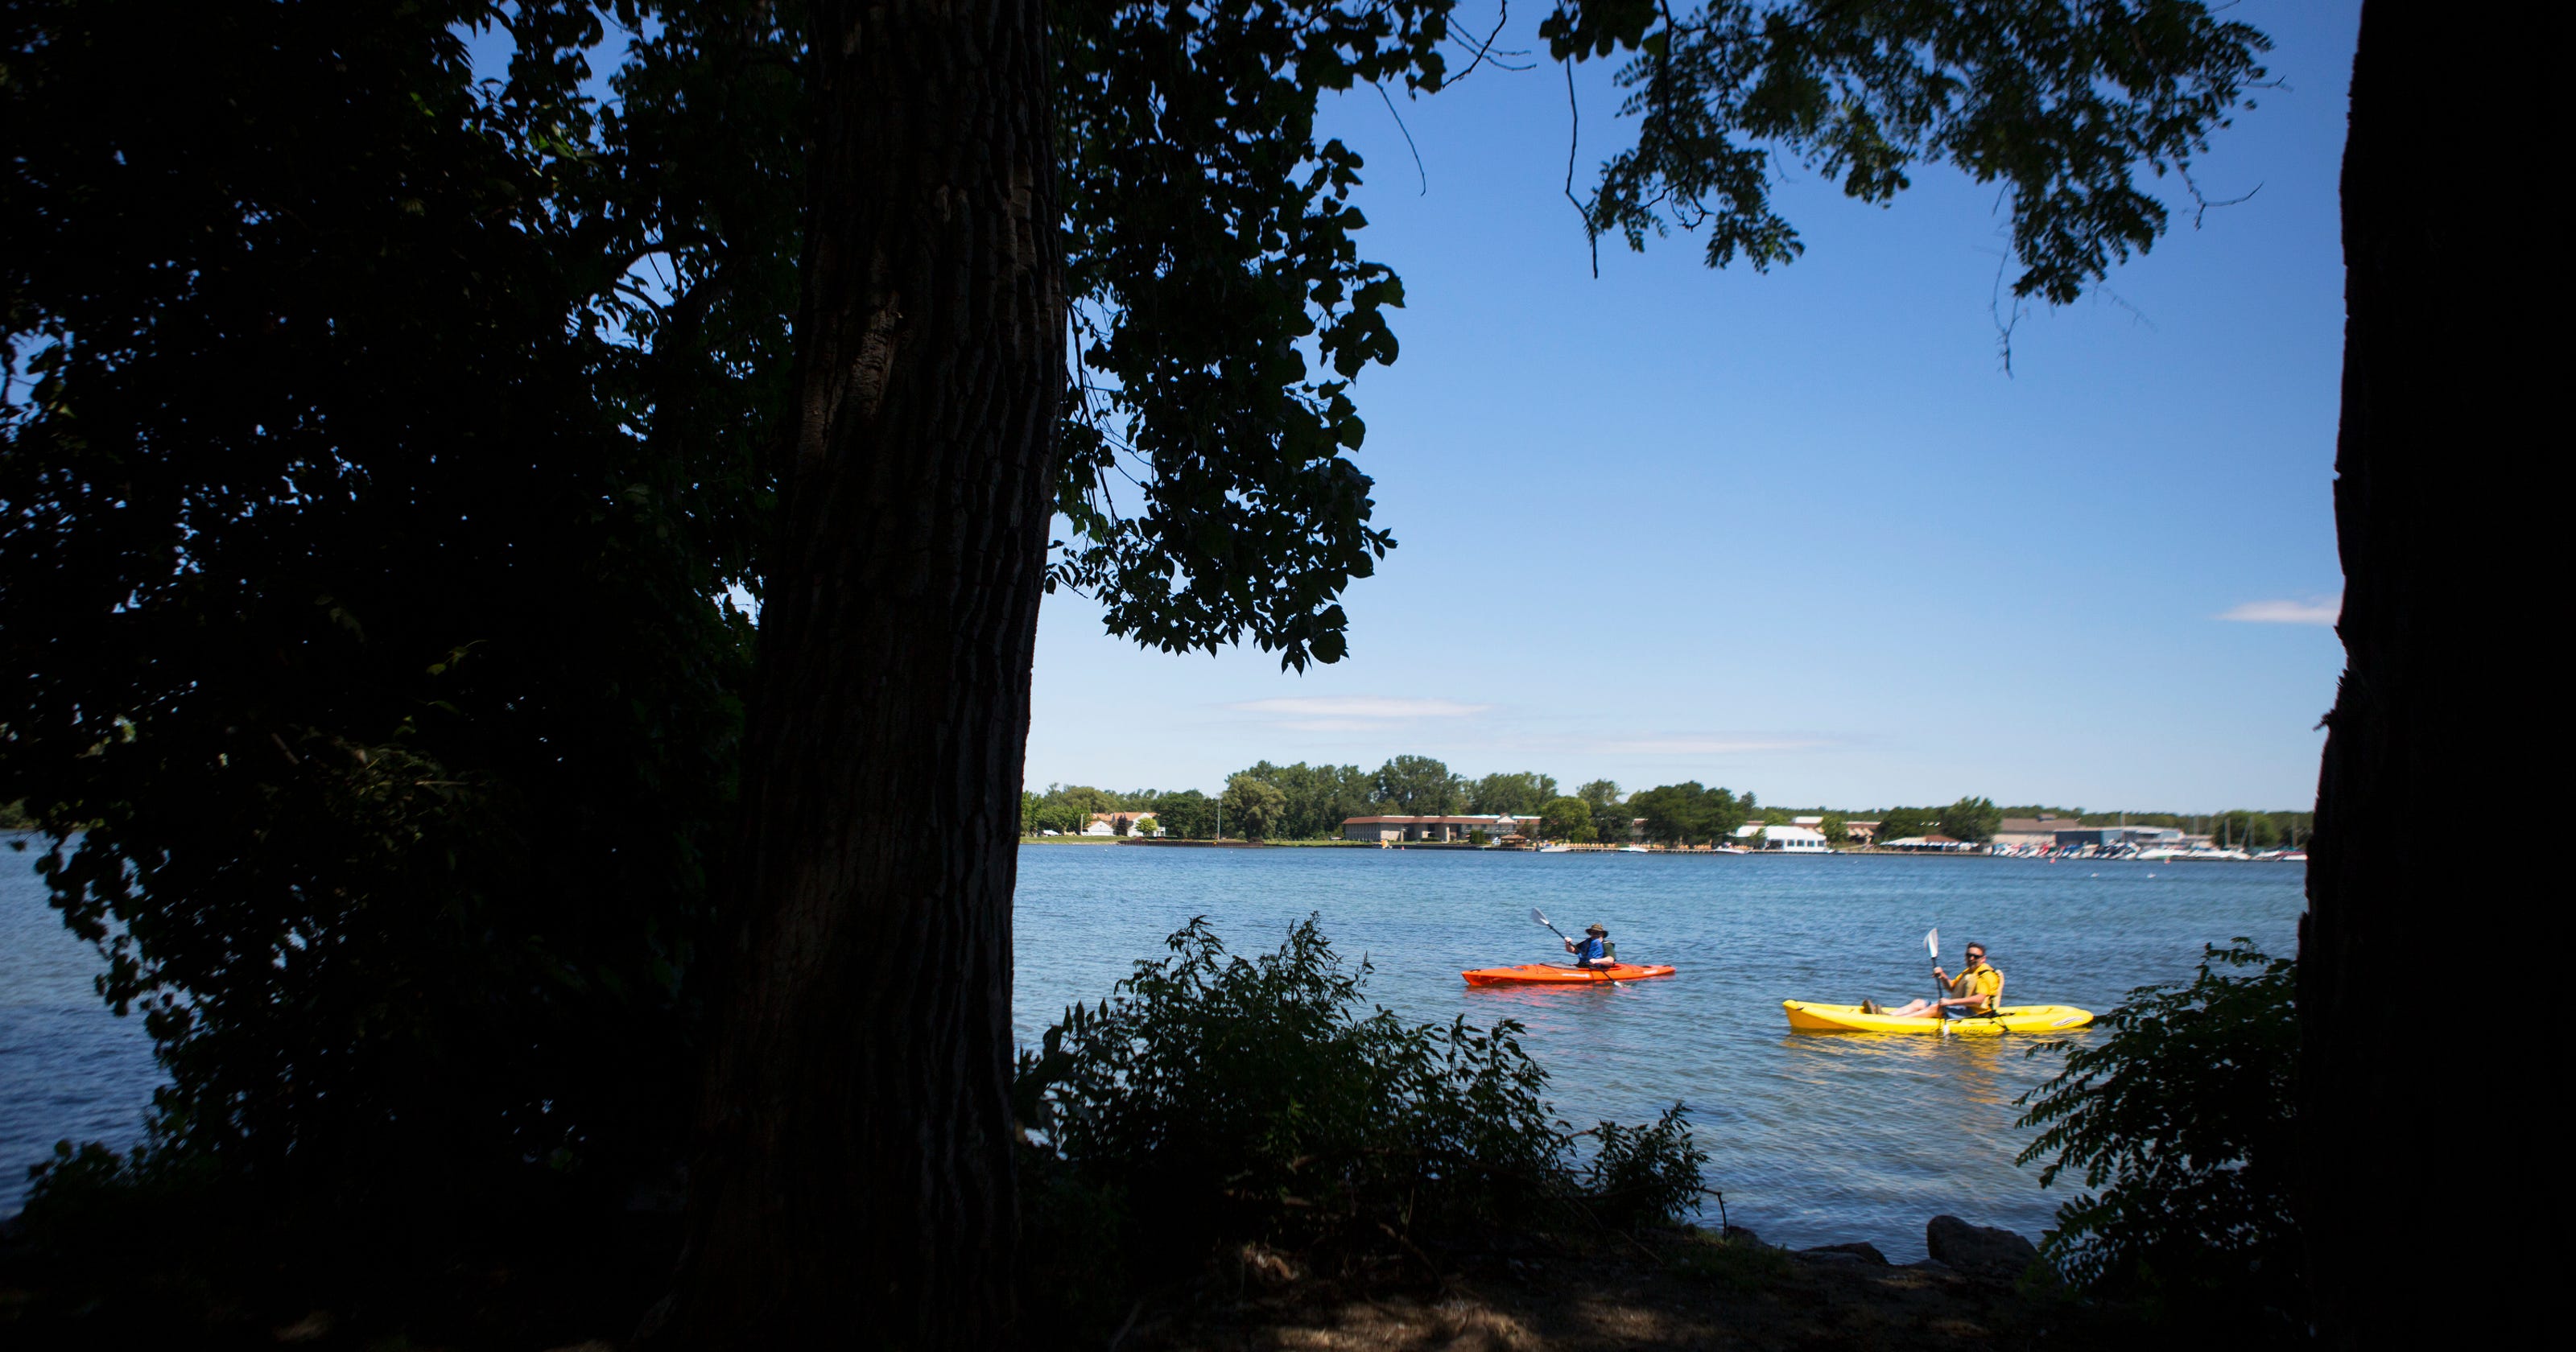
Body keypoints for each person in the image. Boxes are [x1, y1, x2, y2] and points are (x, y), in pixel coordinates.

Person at [1868, 942, 2002, 1019]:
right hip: (1959, 1007)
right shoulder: (1968, 972)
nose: (1971, 958)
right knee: (1919, 1002)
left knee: (1935, 1008)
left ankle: (1897, 1022)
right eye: (1969, 955)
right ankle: (1887, 1016)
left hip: (1975, 1013)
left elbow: (1979, 999)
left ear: (1983, 958)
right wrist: (1943, 976)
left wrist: (1951, 1002)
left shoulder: (1986, 975)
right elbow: (1951, 988)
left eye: (1975, 956)